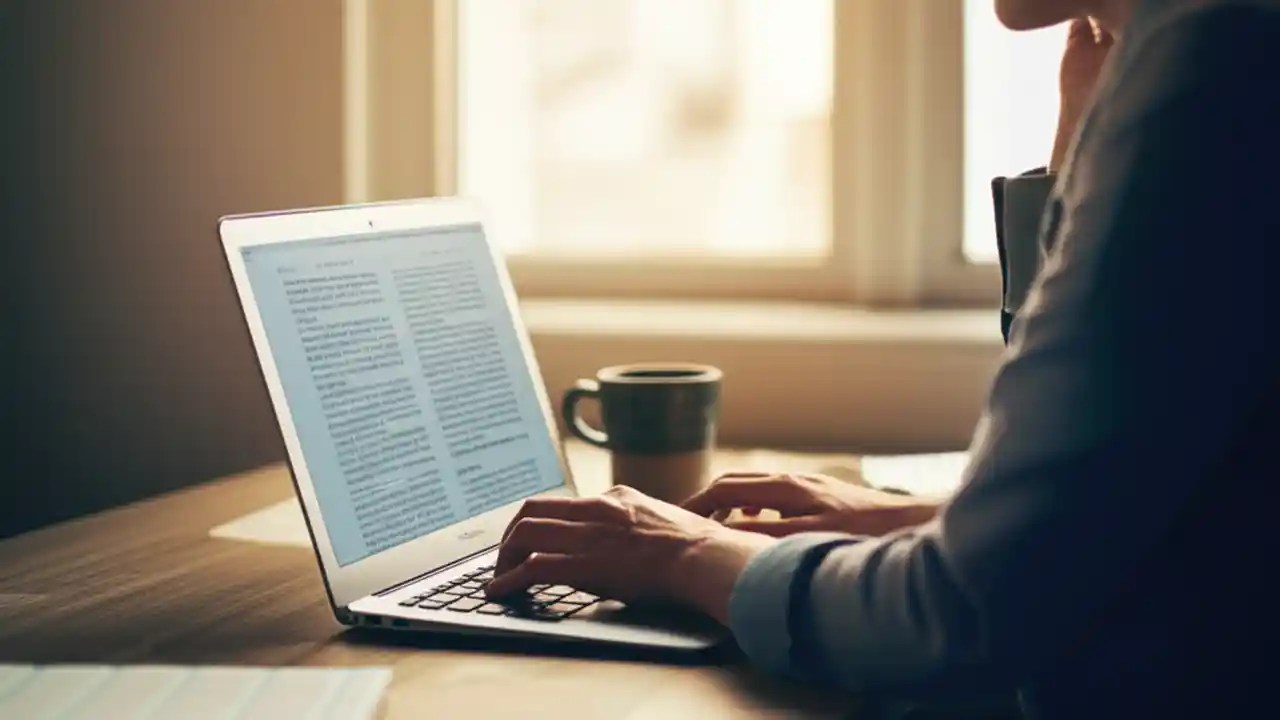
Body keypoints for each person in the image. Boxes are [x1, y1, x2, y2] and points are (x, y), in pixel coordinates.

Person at [486, 0, 1280, 716]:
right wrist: (923, 521)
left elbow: (960, 617)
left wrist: (681, 552)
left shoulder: (1218, 53)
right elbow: (1154, 501)